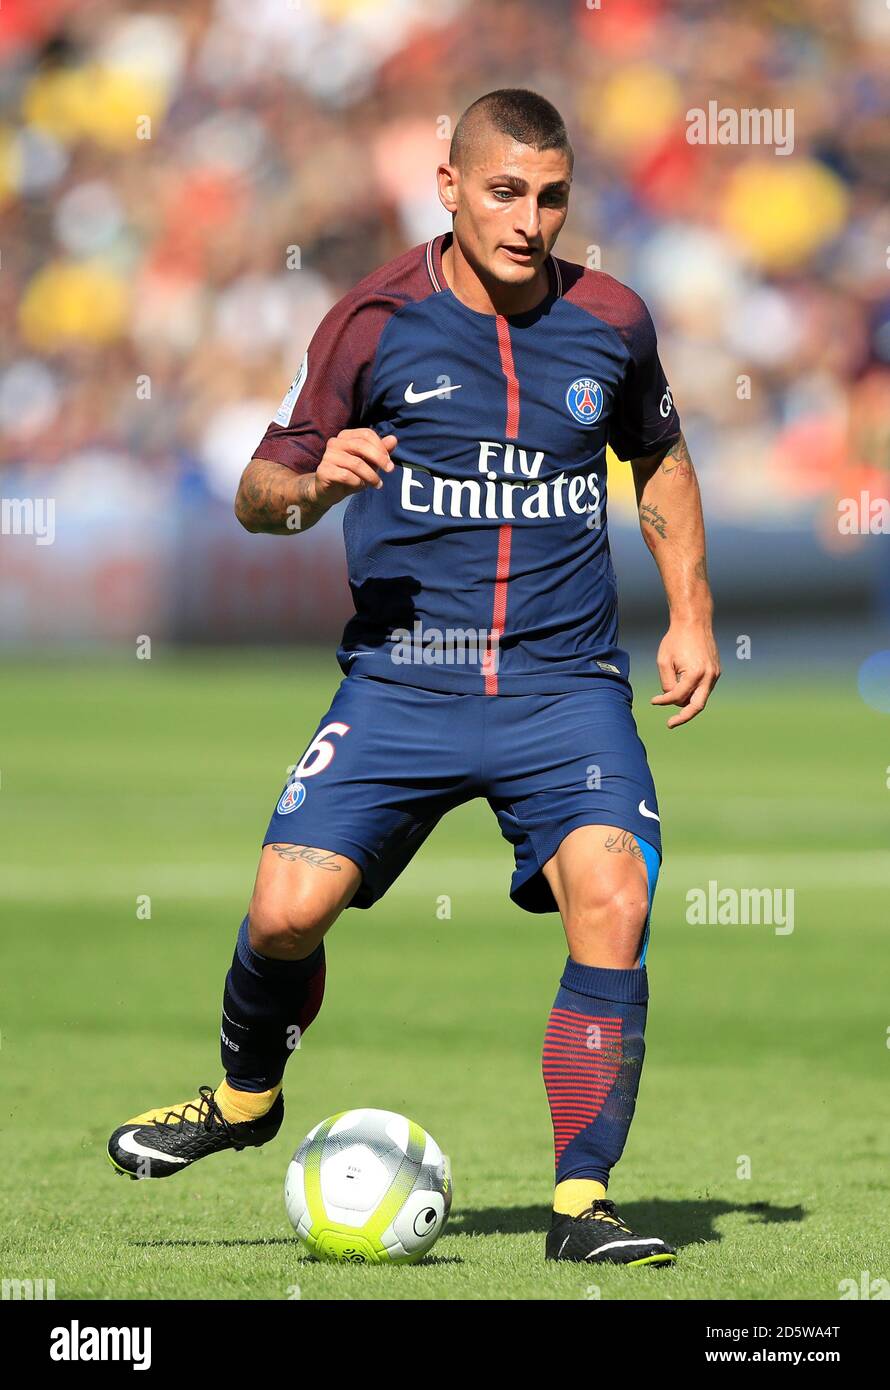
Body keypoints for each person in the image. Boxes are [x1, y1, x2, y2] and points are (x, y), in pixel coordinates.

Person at [108, 88, 720, 1266]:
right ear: (447, 187)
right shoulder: (372, 321)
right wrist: (314, 487)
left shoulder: (612, 320)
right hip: (402, 683)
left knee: (615, 897)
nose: (528, 220)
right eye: (503, 191)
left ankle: (580, 1202)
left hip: (561, 686)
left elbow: (661, 459)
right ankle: (244, 1096)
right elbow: (258, 493)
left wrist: (690, 613)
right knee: (285, 913)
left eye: (549, 198)